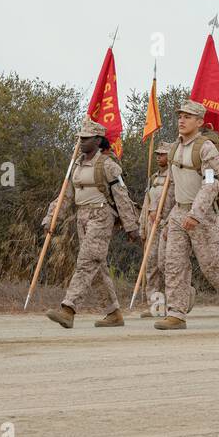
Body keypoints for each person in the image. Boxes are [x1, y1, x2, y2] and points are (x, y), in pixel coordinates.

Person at [153, 101, 219, 330]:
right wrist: (166, 220)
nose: (182, 120)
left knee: (211, 266)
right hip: (178, 214)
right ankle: (176, 313)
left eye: (188, 117)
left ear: (199, 122)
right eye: (180, 116)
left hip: (202, 216)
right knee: (174, 263)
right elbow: (173, 187)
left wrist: (196, 214)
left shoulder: (206, 148)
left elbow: (211, 184)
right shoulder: (175, 148)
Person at [44, 118, 140, 329]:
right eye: (80, 138)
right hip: (82, 218)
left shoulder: (108, 165)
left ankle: (68, 309)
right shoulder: (76, 165)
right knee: (97, 268)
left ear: (98, 140)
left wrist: (131, 226)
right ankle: (113, 313)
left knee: (87, 261)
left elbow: (122, 196)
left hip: (101, 217)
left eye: (86, 139)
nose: (81, 142)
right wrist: (52, 217)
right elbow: (65, 195)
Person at [137, 143, 172, 316]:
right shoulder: (154, 178)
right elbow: (146, 204)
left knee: (165, 264)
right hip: (153, 227)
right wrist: (143, 226)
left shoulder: (174, 177)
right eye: (157, 154)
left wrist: (168, 220)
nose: (159, 157)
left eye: (163, 154)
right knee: (151, 265)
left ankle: (177, 300)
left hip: (168, 226)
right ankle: (156, 306)